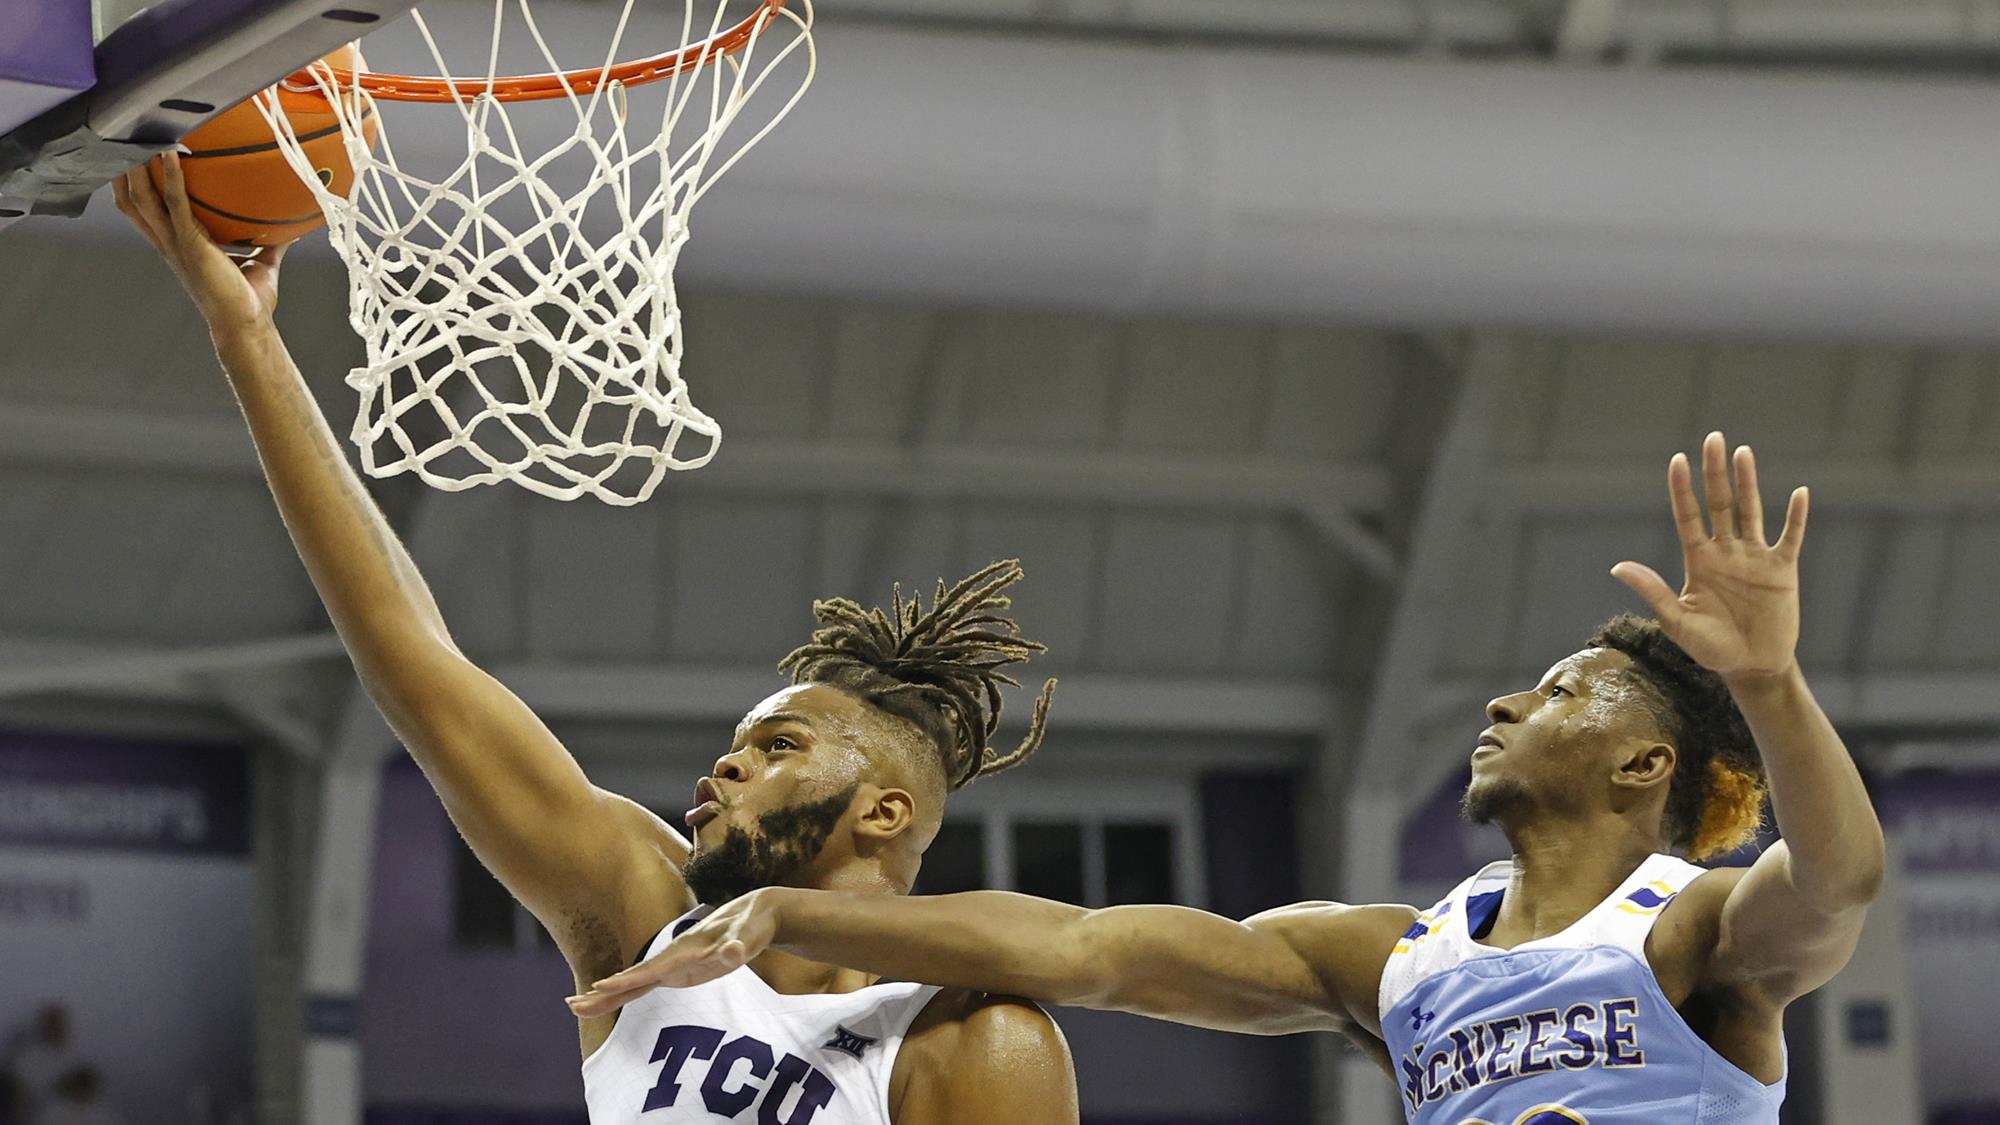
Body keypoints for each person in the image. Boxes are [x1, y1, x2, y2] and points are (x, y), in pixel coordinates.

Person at [114, 156, 1079, 1125]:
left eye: (776, 746)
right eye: (738, 744)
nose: (727, 766)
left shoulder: (972, 1041)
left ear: (882, 813)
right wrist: (244, 334)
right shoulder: (645, 915)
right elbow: (413, 664)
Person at [575, 433, 1885, 1125]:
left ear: (1643, 763)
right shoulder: (1394, 960)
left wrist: (1770, 686)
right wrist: (798, 912)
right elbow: (1083, 948)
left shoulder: (1692, 932)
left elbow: (1836, 884)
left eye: (1556, 694)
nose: (1504, 701)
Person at [3, 1006, 77, 1125]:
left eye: (58, 1026)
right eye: (51, 1026)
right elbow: (18, 1096)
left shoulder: (73, 1059)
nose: (55, 1030)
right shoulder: (28, 1059)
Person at [34, 1068, 121, 1125]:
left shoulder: (103, 1114)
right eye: (78, 1089)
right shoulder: (55, 1113)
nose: (81, 1093)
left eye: (85, 1089)